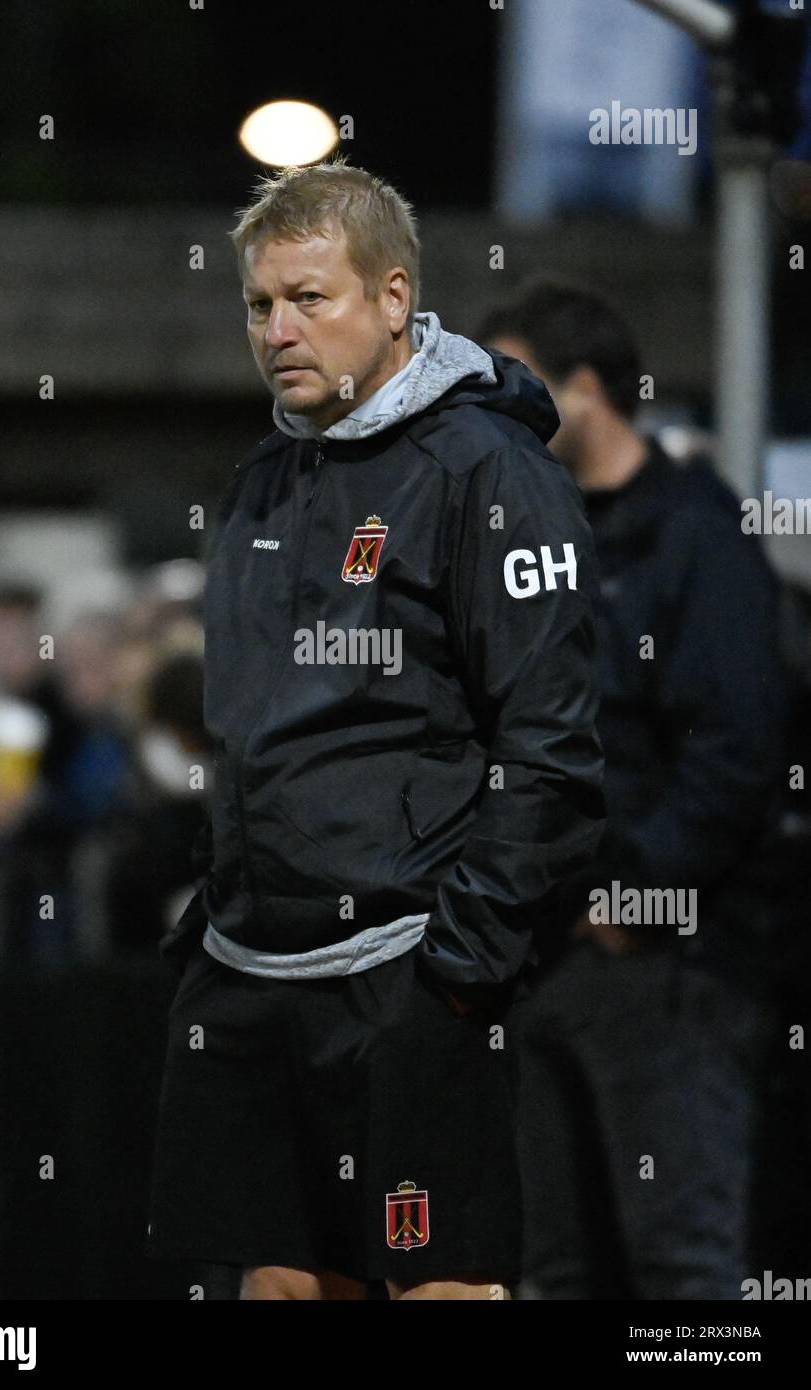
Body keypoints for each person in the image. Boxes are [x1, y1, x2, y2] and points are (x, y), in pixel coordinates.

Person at [145, 161, 605, 1301]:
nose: (278, 329)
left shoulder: (489, 472)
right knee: (279, 1289)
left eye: (311, 298)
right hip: (255, 971)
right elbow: (254, 736)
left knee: (442, 1288)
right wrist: (218, 916)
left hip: (408, 972)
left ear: (393, 301)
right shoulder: (261, 478)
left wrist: (459, 964)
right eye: (260, 305)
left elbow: (548, 747)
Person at [479, 276, 790, 1299]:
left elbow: (735, 750)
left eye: (512, 386)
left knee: (679, 1268)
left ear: (582, 391)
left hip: (663, 963)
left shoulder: (695, 536)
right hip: (545, 954)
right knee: (550, 1267)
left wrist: (631, 897)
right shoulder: (524, 537)